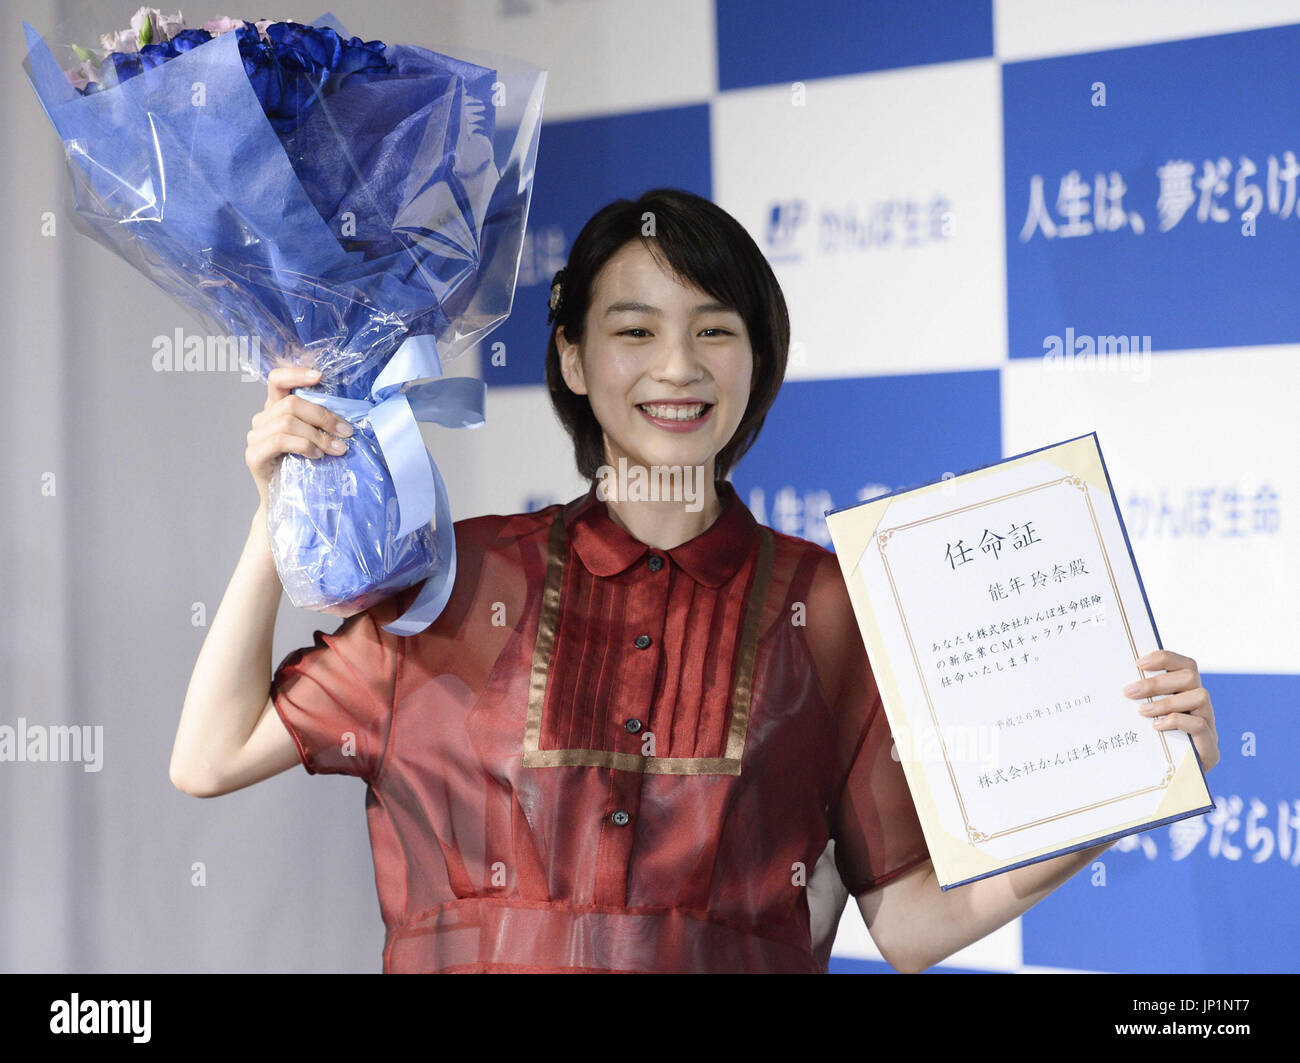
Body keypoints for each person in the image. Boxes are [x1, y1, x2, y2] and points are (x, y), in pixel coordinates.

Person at [169, 187, 1221, 973]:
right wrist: (280, 506)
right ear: (574, 358)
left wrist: (1125, 788)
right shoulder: (457, 572)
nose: (678, 367)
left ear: (757, 359)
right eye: (634, 331)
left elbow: (905, 923)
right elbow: (208, 756)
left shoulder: (830, 605)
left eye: (715, 330)